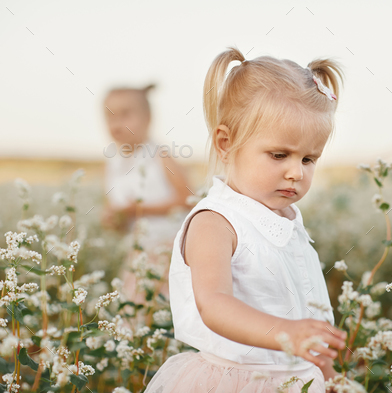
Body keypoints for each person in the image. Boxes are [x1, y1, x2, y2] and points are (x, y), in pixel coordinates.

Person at [144, 47, 348, 393]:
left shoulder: (288, 222)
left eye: (309, 159)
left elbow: (304, 317)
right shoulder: (216, 222)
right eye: (279, 155)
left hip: (299, 380)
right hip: (236, 380)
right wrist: (288, 335)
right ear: (226, 142)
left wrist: (330, 377)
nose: (296, 172)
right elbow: (215, 305)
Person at [101, 83, 193, 299]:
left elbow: (188, 198)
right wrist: (114, 219)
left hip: (169, 247)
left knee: (167, 303)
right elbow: (121, 219)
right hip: (139, 251)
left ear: (148, 119)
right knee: (134, 307)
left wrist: (140, 209)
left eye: (125, 115)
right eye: (110, 116)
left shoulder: (160, 155)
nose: (117, 123)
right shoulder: (112, 164)